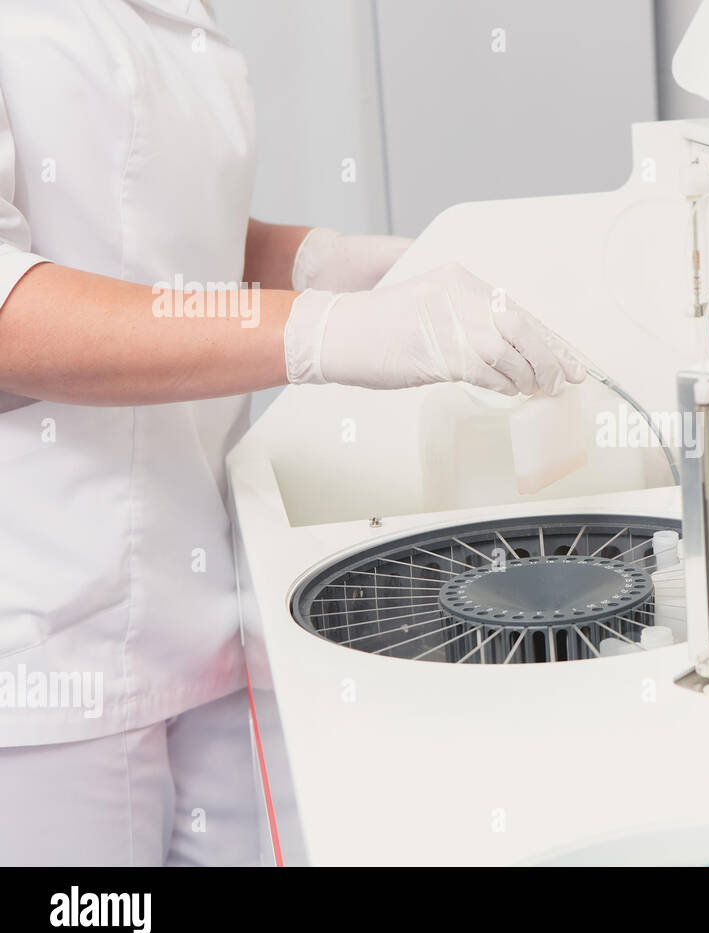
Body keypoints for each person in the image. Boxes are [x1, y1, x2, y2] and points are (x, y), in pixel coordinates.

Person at [0, 0, 582, 865]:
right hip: (44, 630)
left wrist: (322, 263)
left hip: (195, 593)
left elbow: (144, 243)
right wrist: (321, 332)